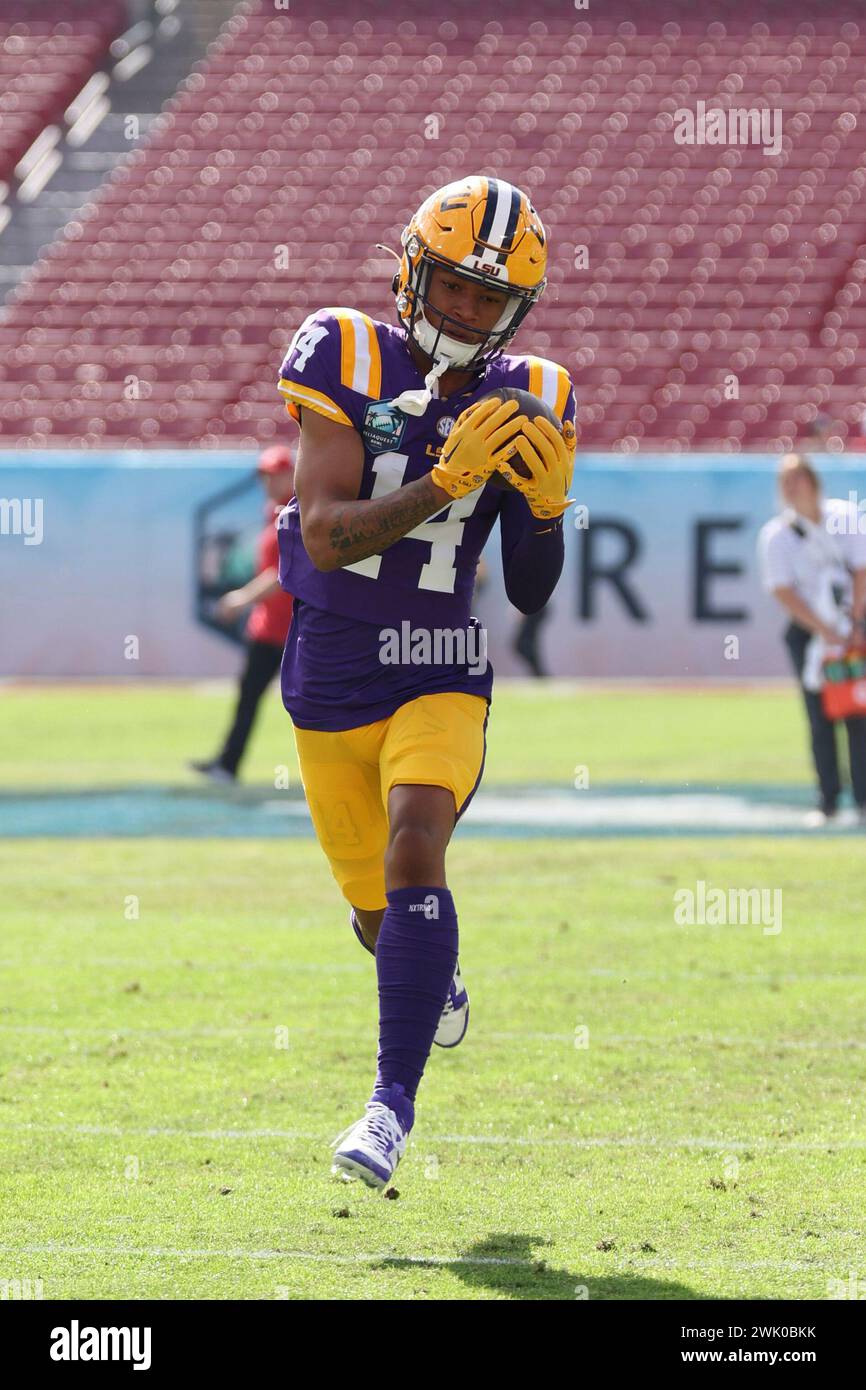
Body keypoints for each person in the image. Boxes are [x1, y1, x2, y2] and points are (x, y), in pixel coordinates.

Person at [275, 176, 576, 1188]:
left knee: (417, 841)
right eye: (448, 288)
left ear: (513, 312)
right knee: (376, 908)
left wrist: (540, 509)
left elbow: (530, 592)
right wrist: (441, 482)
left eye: (483, 300)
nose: (460, 312)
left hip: (439, 657)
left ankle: (386, 1110)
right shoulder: (344, 349)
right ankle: (421, 966)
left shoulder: (536, 391)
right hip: (330, 665)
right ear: (412, 271)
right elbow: (322, 534)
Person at [757, 453, 866, 826]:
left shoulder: (844, 517)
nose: (791, 487)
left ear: (813, 481)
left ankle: (863, 802)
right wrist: (822, 629)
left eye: (797, 478)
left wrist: (851, 622)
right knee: (819, 716)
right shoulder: (777, 535)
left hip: (853, 630)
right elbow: (783, 590)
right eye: (784, 481)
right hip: (809, 635)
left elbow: (860, 569)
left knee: (858, 713)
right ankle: (828, 800)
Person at [190, 446, 295, 783]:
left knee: (317, 702)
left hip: (295, 629)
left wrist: (240, 599)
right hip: (269, 627)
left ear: (288, 473)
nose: (266, 480)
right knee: (248, 697)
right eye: (263, 474)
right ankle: (228, 763)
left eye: (273, 473)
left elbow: (282, 574)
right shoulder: (273, 512)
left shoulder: (296, 511)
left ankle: (342, 771)